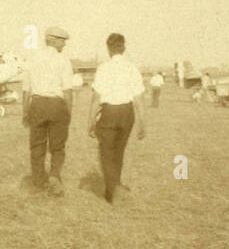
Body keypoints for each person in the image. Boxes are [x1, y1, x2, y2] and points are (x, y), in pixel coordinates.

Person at [20, 27, 79, 196]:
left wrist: (25, 112)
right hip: (57, 105)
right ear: (52, 40)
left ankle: (38, 183)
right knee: (58, 146)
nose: (64, 44)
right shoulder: (63, 61)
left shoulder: (32, 59)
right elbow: (67, 91)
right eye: (62, 41)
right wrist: (68, 113)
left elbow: (26, 90)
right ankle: (54, 177)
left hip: (37, 105)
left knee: (37, 145)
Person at [88, 32, 146, 204]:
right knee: (119, 150)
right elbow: (139, 99)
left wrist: (90, 121)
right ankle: (116, 183)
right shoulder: (132, 68)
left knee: (106, 152)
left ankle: (111, 188)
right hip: (127, 113)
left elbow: (96, 98)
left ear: (108, 49)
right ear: (124, 48)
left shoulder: (103, 68)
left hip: (109, 112)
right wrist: (143, 123)